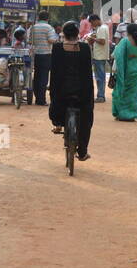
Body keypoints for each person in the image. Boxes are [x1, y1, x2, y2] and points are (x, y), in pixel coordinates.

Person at [49, 21, 95, 159]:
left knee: (56, 106)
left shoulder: (56, 48)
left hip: (61, 91)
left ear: (64, 34)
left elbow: (54, 72)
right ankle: (82, 151)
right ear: (77, 34)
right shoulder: (85, 48)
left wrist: (52, 90)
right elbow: (88, 72)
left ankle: (58, 124)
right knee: (86, 119)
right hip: (82, 92)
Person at [110, 23, 137, 121]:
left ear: (127, 31)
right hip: (135, 71)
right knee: (133, 94)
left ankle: (121, 114)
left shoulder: (125, 41)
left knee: (121, 91)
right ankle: (132, 114)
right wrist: (134, 58)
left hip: (124, 71)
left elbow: (116, 55)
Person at [29, 10, 57, 107]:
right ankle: (41, 100)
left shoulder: (33, 27)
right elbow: (51, 40)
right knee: (44, 78)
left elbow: (29, 40)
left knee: (37, 76)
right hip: (46, 54)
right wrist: (55, 40)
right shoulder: (49, 28)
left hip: (36, 55)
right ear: (47, 18)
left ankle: (37, 98)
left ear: (39, 18)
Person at [83, 13, 110, 103]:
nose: (92, 25)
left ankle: (101, 96)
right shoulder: (102, 28)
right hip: (99, 55)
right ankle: (100, 95)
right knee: (99, 76)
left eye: (92, 22)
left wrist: (92, 38)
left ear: (96, 20)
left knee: (100, 77)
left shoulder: (102, 28)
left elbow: (102, 41)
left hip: (99, 56)